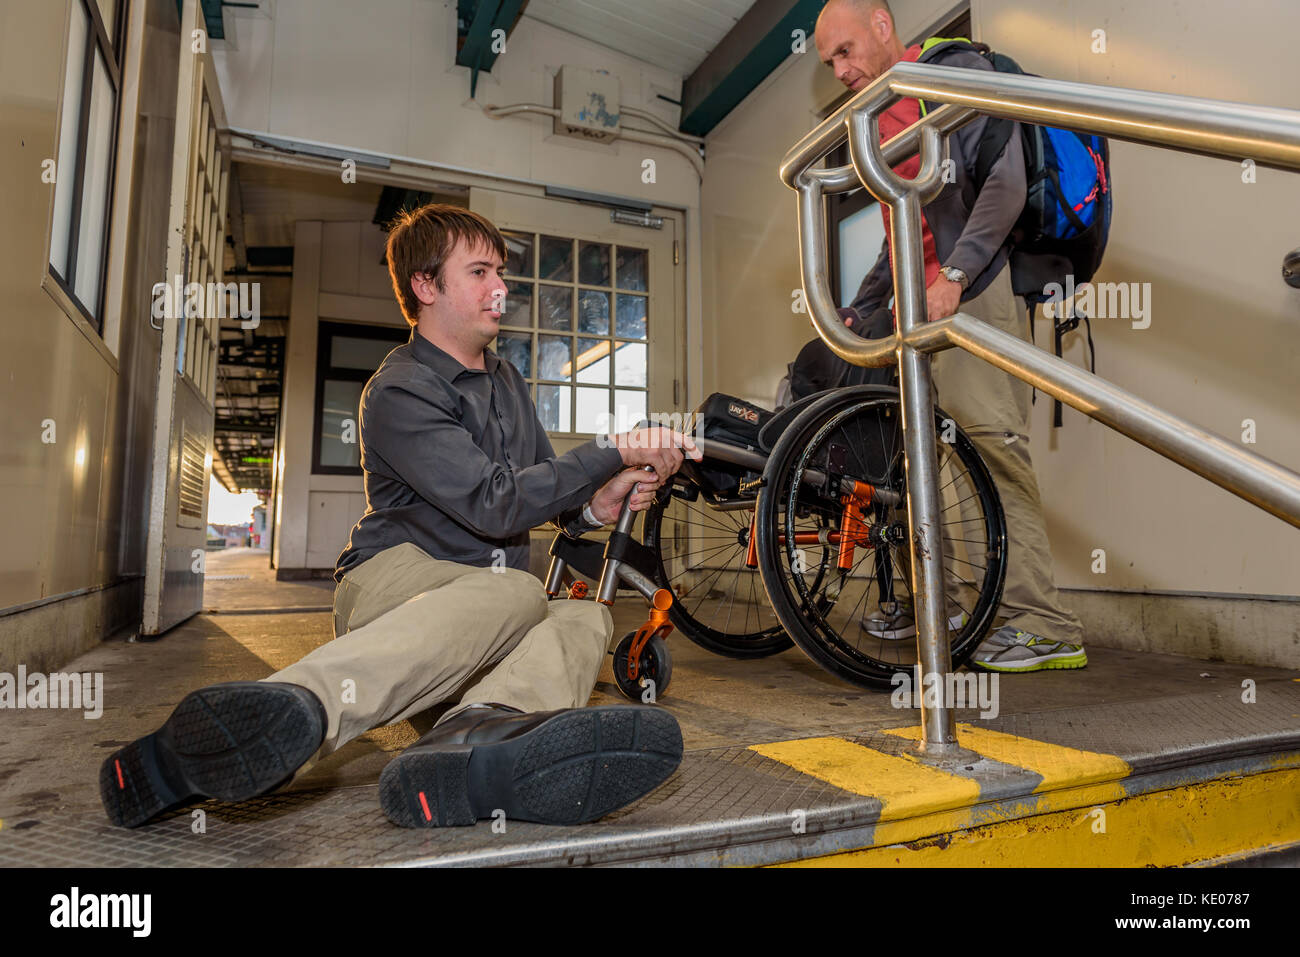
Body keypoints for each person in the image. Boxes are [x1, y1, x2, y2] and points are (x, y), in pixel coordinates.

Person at [101, 203, 701, 829]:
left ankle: (475, 736)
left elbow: (539, 493)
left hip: (476, 624)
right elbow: (495, 503)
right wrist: (613, 448)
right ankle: (283, 711)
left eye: (500, 271)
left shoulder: (508, 385)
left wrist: (595, 505)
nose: (500, 287)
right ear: (425, 286)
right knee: (519, 593)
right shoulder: (401, 388)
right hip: (394, 585)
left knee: (582, 614)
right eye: (477, 272)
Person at [814, 0, 1087, 673]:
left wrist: (958, 275)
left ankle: (1045, 623)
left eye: (846, 51)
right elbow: (904, 231)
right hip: (924, 305)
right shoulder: (883, 116)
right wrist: (862, 305)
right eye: (830, 63)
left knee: (994, 448)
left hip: (974, 289)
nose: (841, 69)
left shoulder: (945, 74)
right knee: (932, 463)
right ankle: (962, 605)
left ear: (882, 27)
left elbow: (1007, 182)